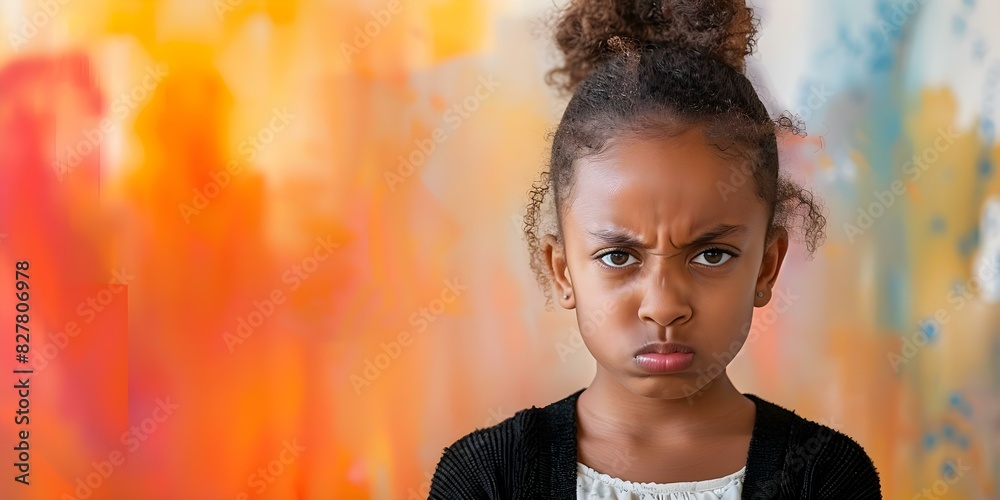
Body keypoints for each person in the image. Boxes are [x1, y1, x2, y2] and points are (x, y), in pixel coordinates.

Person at [429, 0, 882, 498]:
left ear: (766, 267)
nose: (664, 306)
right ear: (562, 271)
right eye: (618, 256)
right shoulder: (491, 477)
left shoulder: (824, 476)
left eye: (712, 255)